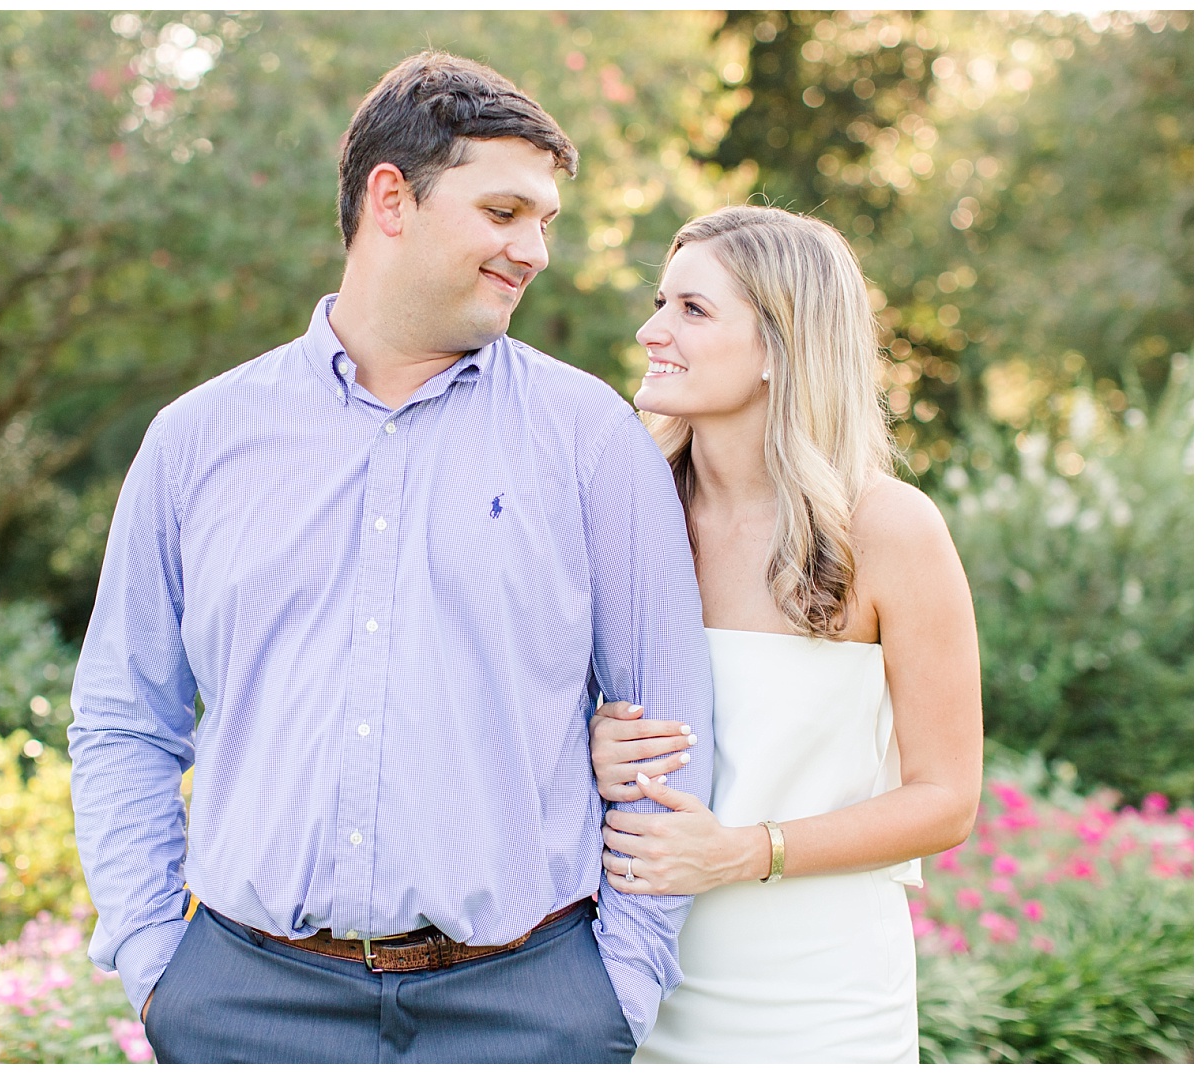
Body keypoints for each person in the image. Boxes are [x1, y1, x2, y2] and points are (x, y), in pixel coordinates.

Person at [67, 51, 713, 1064]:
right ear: (390, 198)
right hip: (246, 1002)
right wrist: (157, 962)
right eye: (504, 212)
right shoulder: (197, 441)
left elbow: (669, 734)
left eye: (544, 220)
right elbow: (122, 720)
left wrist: (619, 986)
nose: (534, 249)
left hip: (526, 1006)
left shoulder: (591, 440)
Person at [587, 205, 983, 1063]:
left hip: (821, 1001)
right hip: (633, 980)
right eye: (662, 302)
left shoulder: (888, 529)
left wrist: (742, 854)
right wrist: (591, 743)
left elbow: (947, 799)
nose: (652, 330)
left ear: (780, 345)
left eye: (693, 310)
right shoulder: (624, 512)